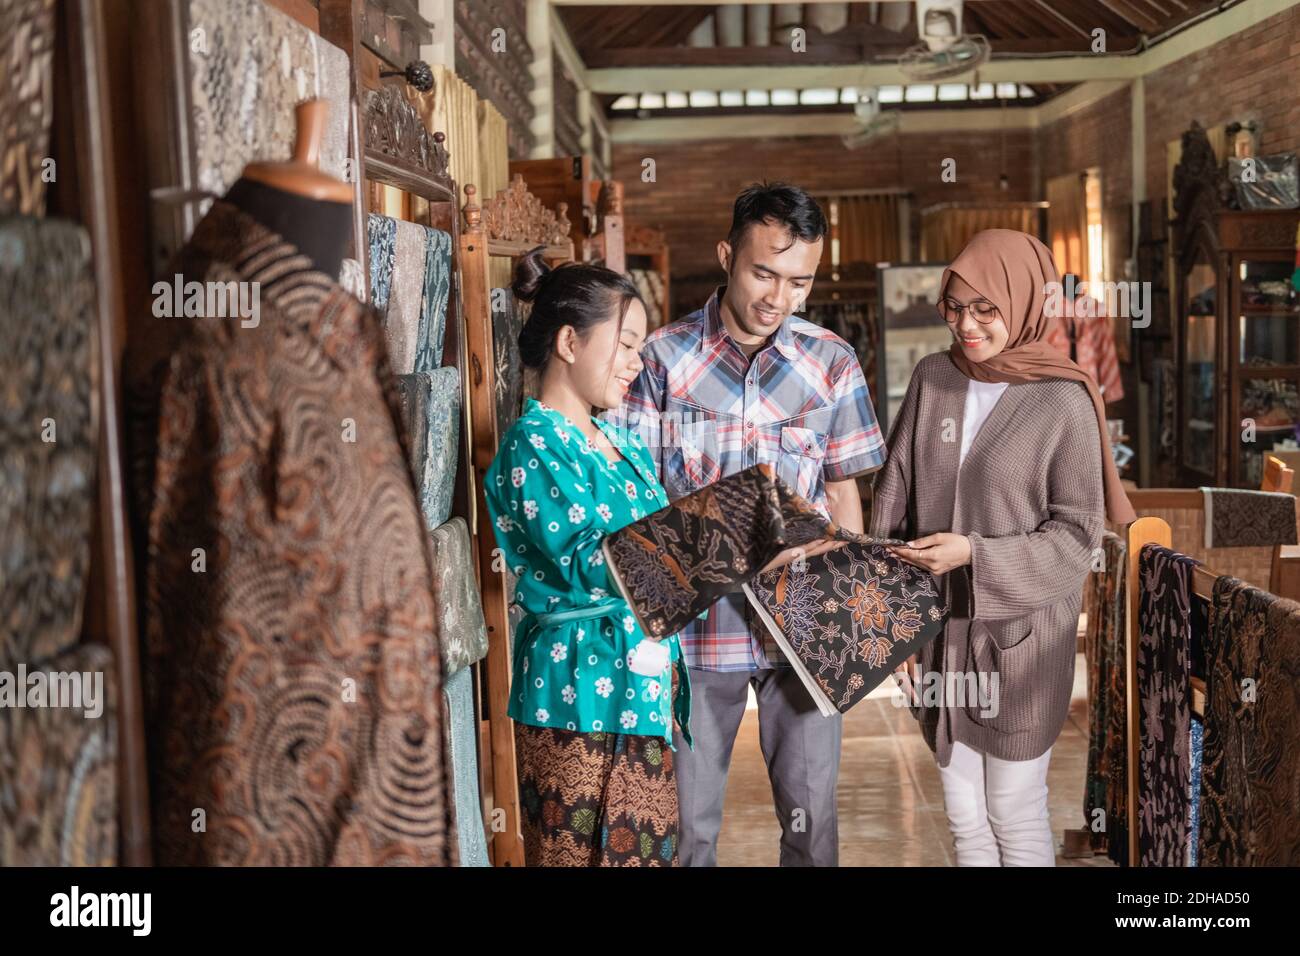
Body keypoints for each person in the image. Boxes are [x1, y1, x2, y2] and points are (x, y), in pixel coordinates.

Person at [605, 182, 886, 866]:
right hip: (697, 638)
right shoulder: (661, 363)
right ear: (728, 255)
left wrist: (844, 617)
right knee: (688, 827)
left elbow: (843, 494)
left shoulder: (832, 364)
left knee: (811, 820)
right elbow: (632, 500)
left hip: (802, 632)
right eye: (763, 273)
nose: (777, 298)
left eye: (799, 282)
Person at [872, 228, 1135, 867]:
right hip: (941, 634)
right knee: (964, 820)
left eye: (985, 309)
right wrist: (889, 622)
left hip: (1022, 641)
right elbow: (893, 500)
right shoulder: (935, 377)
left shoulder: (1064, 399)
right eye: (955, 307)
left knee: (1013, 811)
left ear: (1022, 303)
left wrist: (975, 554)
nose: (966, 324)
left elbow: (1077, 537)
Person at [484, 248, 691, 866]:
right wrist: (702, 542)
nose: (637, 362)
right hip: (575, 694)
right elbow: (591, 562)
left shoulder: (621, 443)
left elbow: (665, 555)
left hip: (645, 690)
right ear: (570, 342)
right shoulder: (534, 443)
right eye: (626, 345)